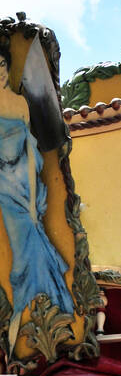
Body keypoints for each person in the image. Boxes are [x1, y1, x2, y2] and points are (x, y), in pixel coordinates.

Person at [0, 37, 75, 349]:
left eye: (2, 65)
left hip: (25, 185)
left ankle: (51, 313)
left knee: (34, 237)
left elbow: (32, 152)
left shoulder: (20, 103)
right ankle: (20, 321)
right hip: (3, 188)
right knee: (20, 253)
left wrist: (32, 200)